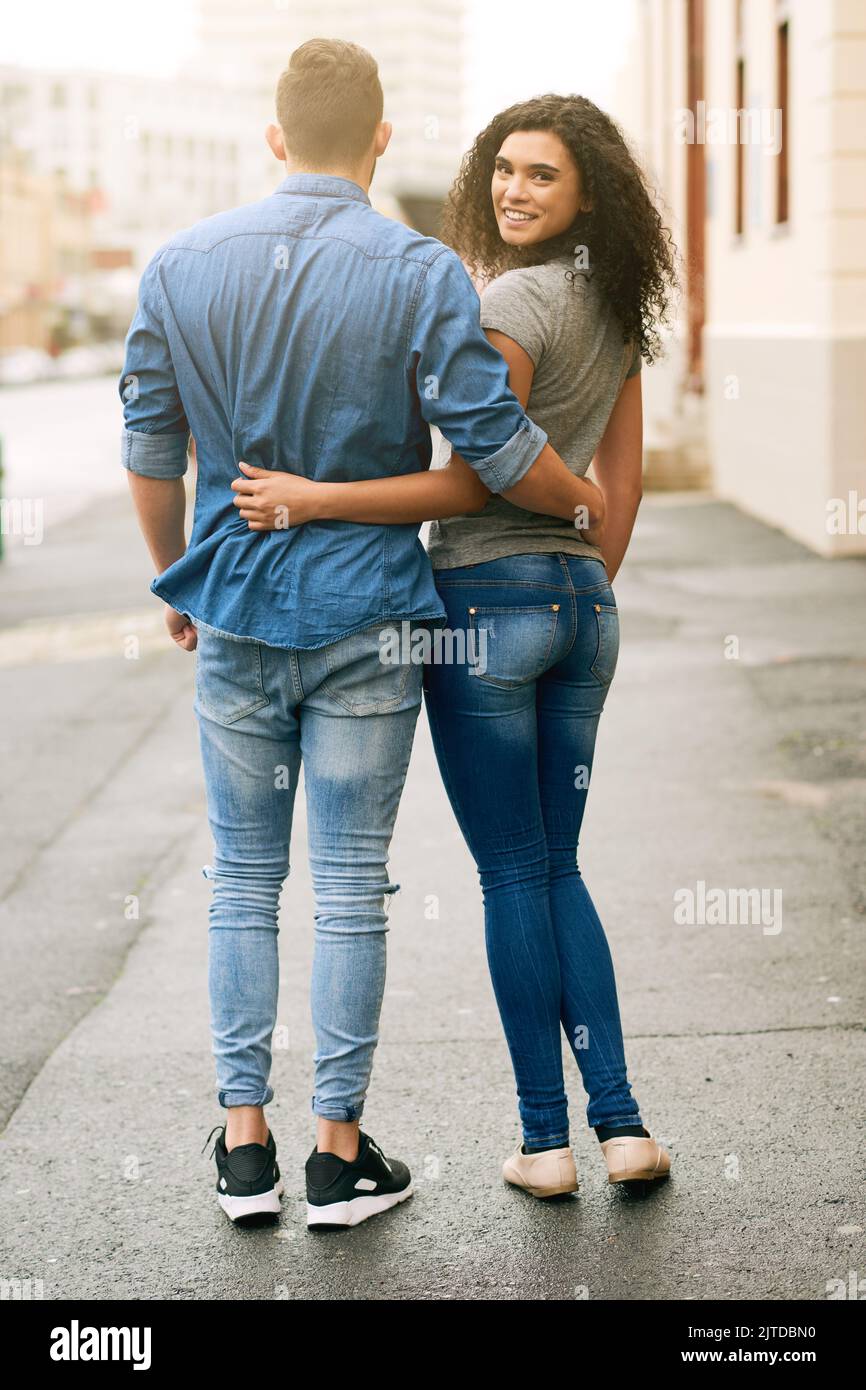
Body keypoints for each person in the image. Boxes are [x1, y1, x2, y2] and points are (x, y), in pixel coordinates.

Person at [119, 44, 605, 1228]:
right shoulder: (419, 267)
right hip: (373, 613)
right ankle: (336, 1156)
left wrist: (172, 582)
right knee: (349, 885)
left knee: (242, 876)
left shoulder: (180, 266)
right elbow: (488, 444)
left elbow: (151, 445)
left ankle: (244, 1146)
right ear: (381, 138)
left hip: (233, 600)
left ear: (274, 136)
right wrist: (583, 503)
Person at [232, 93, 678, 1199]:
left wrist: (315, 498)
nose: (514, 192)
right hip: (582, 611)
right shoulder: (615, 308)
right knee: (557, 866)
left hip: (482, 603)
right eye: (507, 171)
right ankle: (621, 1127)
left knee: (513, 874)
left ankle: (545, 1141)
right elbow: (617, 489)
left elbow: (476, 475)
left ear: (586, 198)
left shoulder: (508, 302)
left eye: (542, 177)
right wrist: (575, 571)